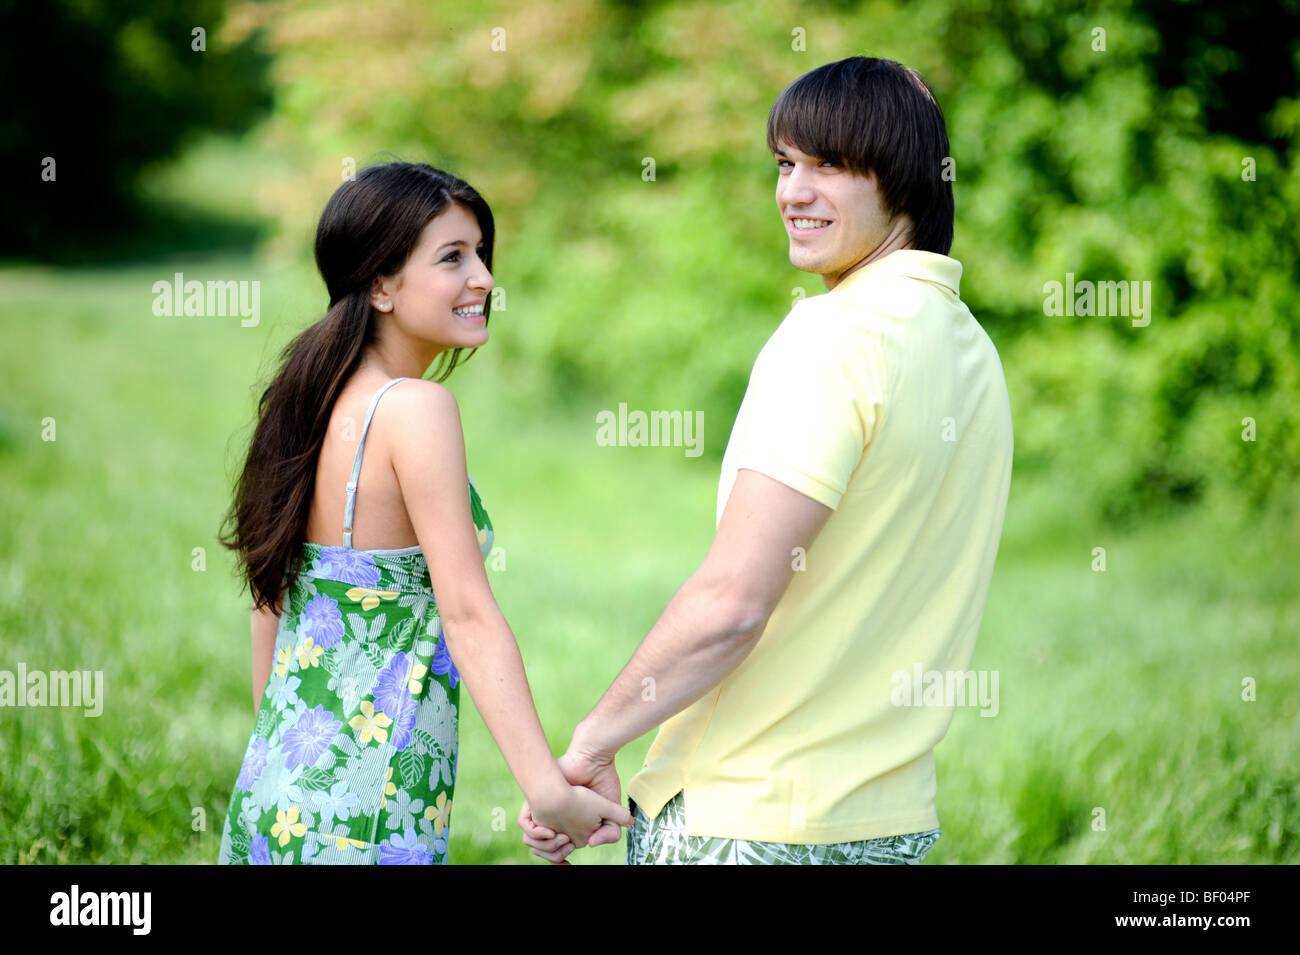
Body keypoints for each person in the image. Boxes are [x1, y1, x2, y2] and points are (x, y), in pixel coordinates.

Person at [519, 56, 1014, 864]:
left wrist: (590, 745)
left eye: (830, 165)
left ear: (902, 178)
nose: (793, 191)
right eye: (786, 164)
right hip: (890, 826)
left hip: (748, 822)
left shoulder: (835, 336)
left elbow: (734, 601)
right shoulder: (971, 349)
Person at [216, 162, 632, 864]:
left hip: (277, 793)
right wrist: (547, 787)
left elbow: (270, 599)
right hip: (370, 813)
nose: (484, 279)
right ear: (381, 284)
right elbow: (466, 613)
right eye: (452, 258)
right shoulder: (415, 410)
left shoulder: (310, 399)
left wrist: (280, 763)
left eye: (480, 254)